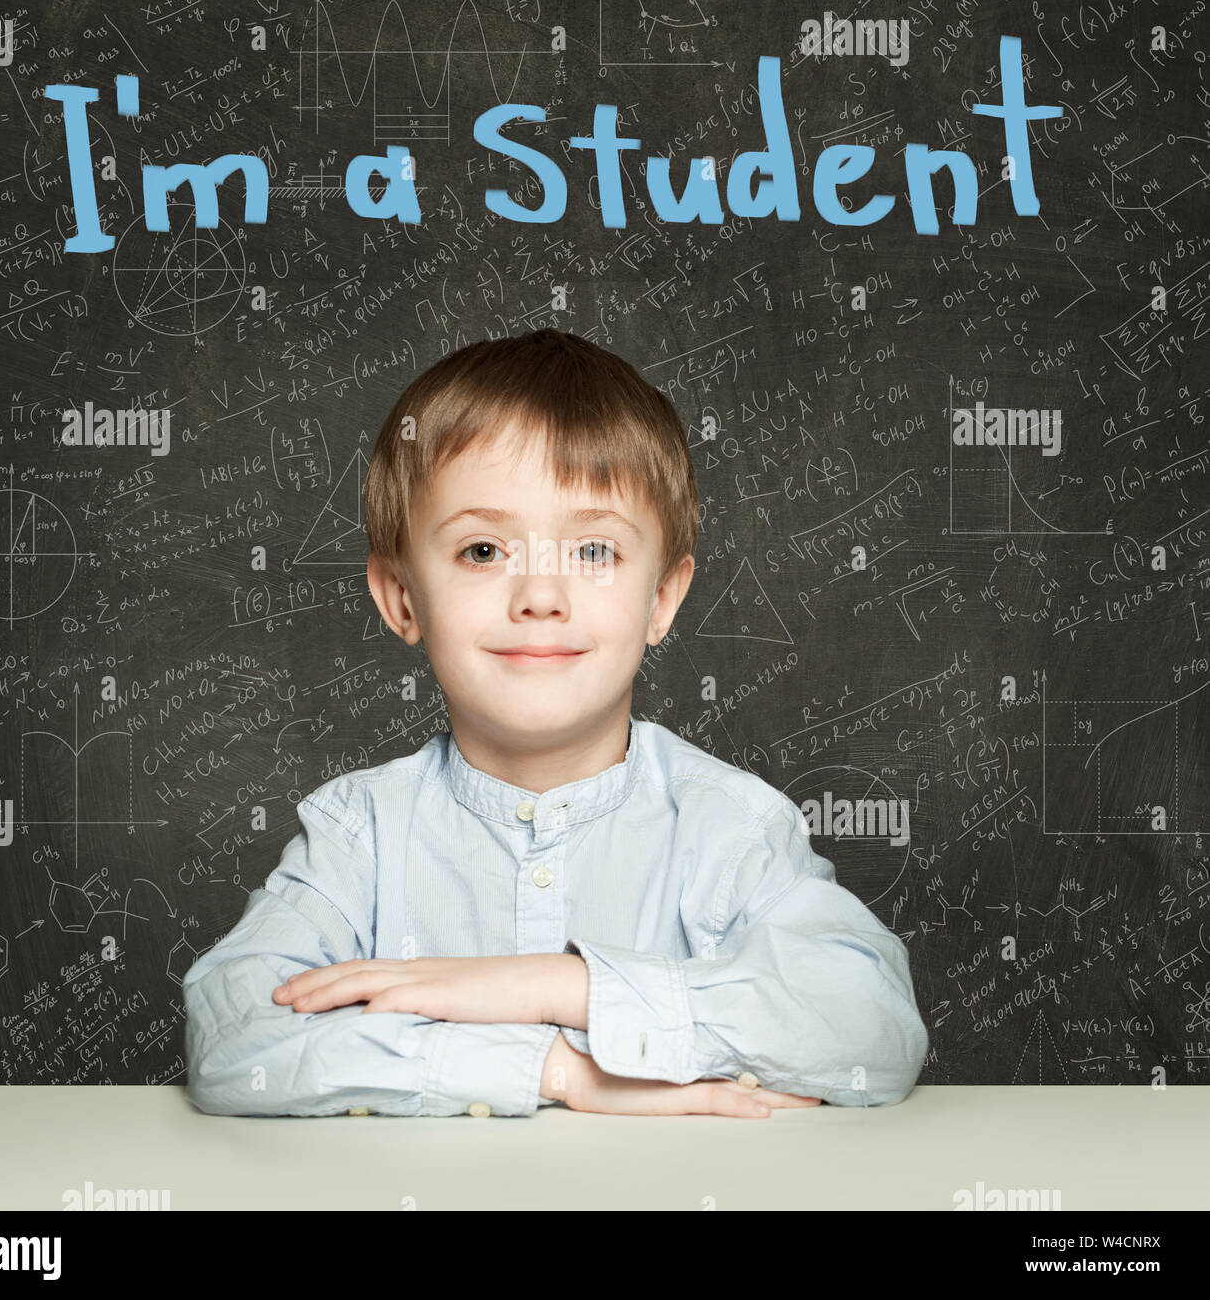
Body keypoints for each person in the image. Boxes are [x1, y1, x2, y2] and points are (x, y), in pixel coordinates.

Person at [182, 328, 928, 1118]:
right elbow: (233, 1037)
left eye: (596, 550)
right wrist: (561, 1070)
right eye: (481, 550)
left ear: (663, 599)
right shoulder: (359, 834)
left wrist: (560, 985)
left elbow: (874, 1027)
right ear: (402, 597)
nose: (541, 594)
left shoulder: (729, 828)